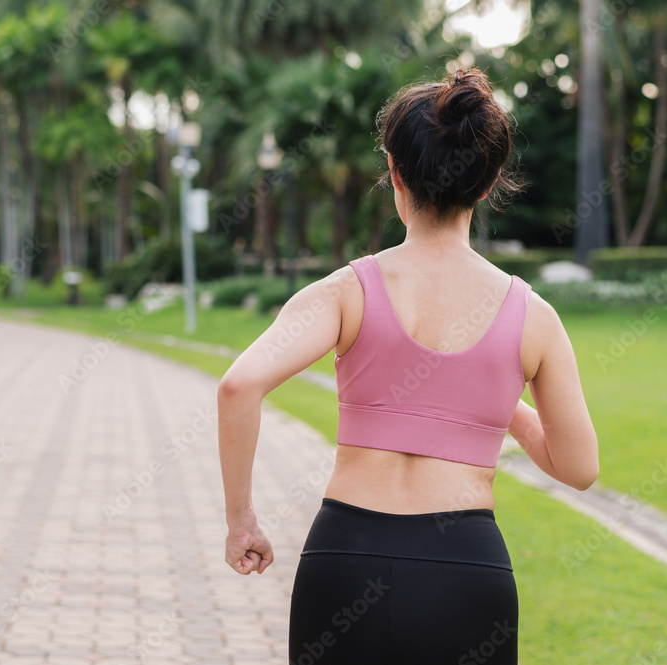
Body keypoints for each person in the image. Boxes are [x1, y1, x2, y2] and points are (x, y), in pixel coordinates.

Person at [216, 67, 599, 665]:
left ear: (394, 172)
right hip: (467, 573)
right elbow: (579, 468)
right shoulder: (533, 316)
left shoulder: (345, 291)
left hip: (345, 559)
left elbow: (238, 385)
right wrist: (504, 409)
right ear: (487, 182)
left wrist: (242, 523)